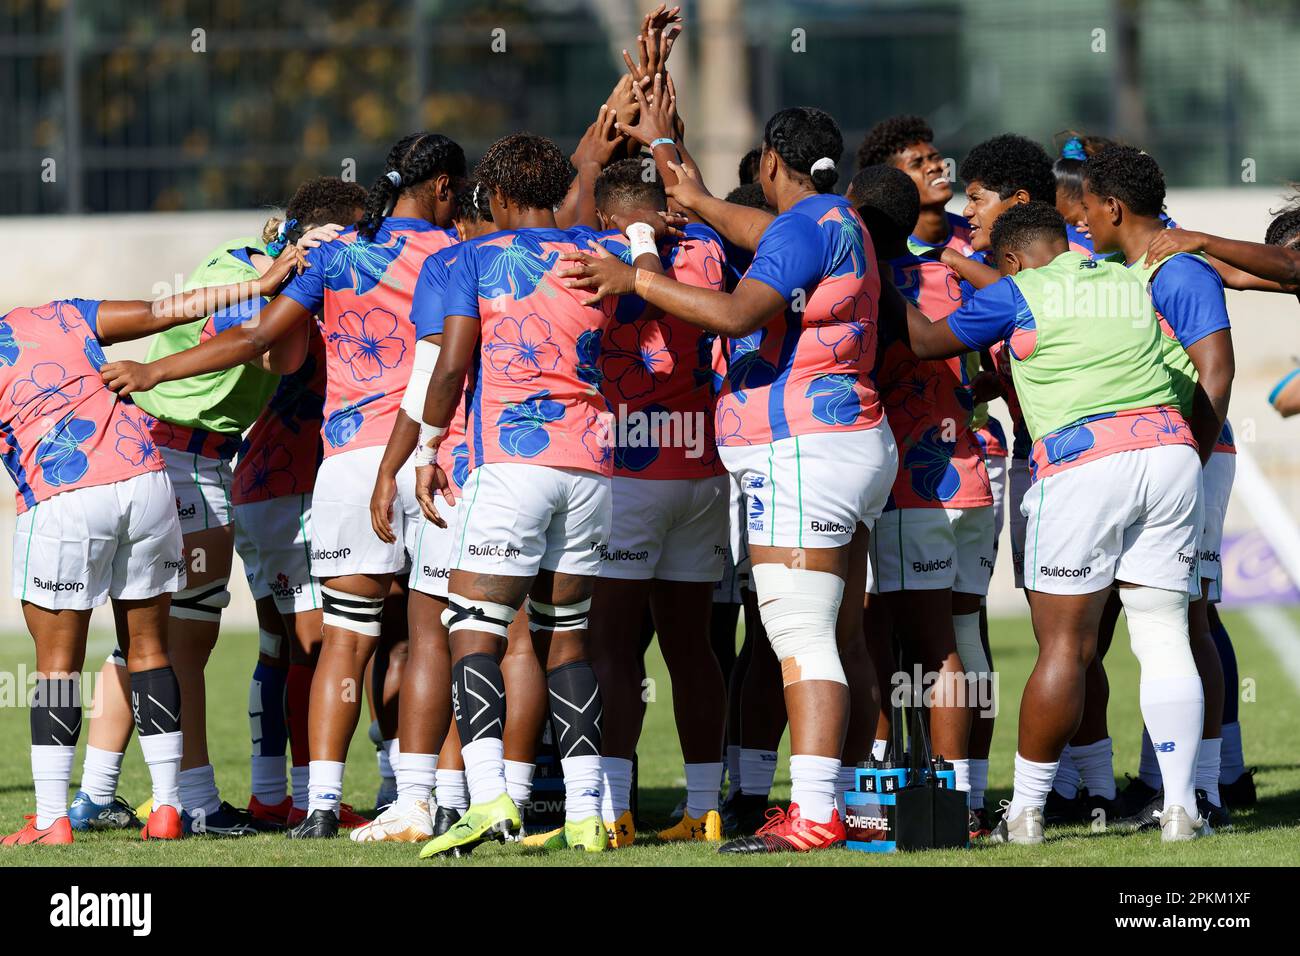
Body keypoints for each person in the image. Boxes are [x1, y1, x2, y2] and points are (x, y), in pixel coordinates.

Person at [100, 132, 468, 839]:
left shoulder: (326, 258)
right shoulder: (460, 253)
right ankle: (427, 792)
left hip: (302, 473)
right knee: (430, 636)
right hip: (422, 459)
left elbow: (261, 342)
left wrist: (151, 372)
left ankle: (313, 802)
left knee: (321, 643)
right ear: (446, 188)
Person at [561, 105, 897, 854]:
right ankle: (853, 807)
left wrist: (636, 278)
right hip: (851, 440)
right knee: (844, 633)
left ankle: (812, 816)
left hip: (805, 450)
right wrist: (670, 146)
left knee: (802, 636)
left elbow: (737, 315)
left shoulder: (803, 228)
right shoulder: (835, 218)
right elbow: (754, 233)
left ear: (772, 163)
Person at [904, 200, 1209, 843]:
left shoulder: (1019, 290)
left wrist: (878, 276)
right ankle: (1181, 807)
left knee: (1067, 646)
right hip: (1169, 450)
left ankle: (1027, 811)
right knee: (1164, 635)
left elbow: (928, 341)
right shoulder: (1130, 278)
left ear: (1011, 260)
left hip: (1081, 463)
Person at [1, 259, 302, 845]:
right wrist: (262, 287)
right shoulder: (55, 314)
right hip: (147, 480)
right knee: (149, 648)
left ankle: (48, 820)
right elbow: (165, 310)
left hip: (65, 499)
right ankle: (167, 810)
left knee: (59, 667)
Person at [409, 131, 637, 858]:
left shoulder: (469, 257)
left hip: (513, 464)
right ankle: (586, 815)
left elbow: (450, 366)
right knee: (567, 638)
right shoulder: (603, 254)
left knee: (472, 624)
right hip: (595, 466)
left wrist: (425, 447)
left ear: (500, 197)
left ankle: (490, 800)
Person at [577, 153, 731, 846]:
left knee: (610, 643)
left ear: (608, 215)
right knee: (691, 645)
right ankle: (705, 808)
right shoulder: (707, 249)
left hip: (631, 471)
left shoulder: (595, 253)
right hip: (702, 467)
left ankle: (615, 811)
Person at [1083, 144, 1235, 831]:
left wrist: (1191, 458)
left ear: (1114, 208)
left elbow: (1217, 372)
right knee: (1146, 622)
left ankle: (1202, 789)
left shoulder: (1179, 270)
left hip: (1190, 459)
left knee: (1190, 619)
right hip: (1152, 462)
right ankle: (1154, 784)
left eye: (1086, 208)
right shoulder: (1124, 273)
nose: (1081, 221)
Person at [229, 178, 369, 826]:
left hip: (258, 485)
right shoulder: (313, 294)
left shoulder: (274, 278)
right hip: (292, 492)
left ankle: (269, 793)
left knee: (277, 647)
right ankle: (315, 799)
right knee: (317, 650)